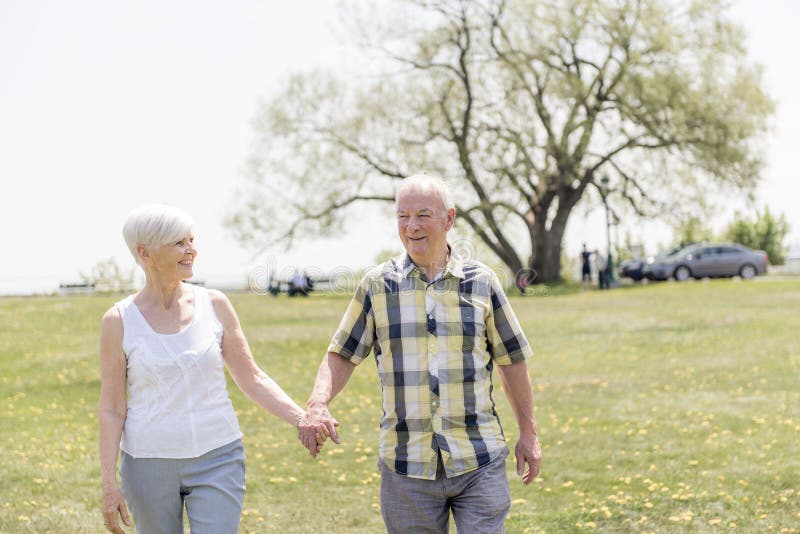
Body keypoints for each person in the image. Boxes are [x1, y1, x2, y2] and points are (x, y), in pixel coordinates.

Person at [300, 174, 541, 533]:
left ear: (449, 219)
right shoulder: (377, 286)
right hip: (406, 466)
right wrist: (318, 403)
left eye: (423, 215)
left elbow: (512, 361)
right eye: (403, 216)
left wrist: (529, 433)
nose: (411, 226)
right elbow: (342, 354)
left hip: (478, 458)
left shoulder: (482, 282)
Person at [98, 205, 323, 534]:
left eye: (191, 239)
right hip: (147, 464)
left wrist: (302, 418)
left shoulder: (214, 304)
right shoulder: (118, 321)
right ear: (144, 253)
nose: (191, 250)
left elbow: (252, 377)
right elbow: (112, 408)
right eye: (178, 243)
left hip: (218, 457)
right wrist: (108, 484)